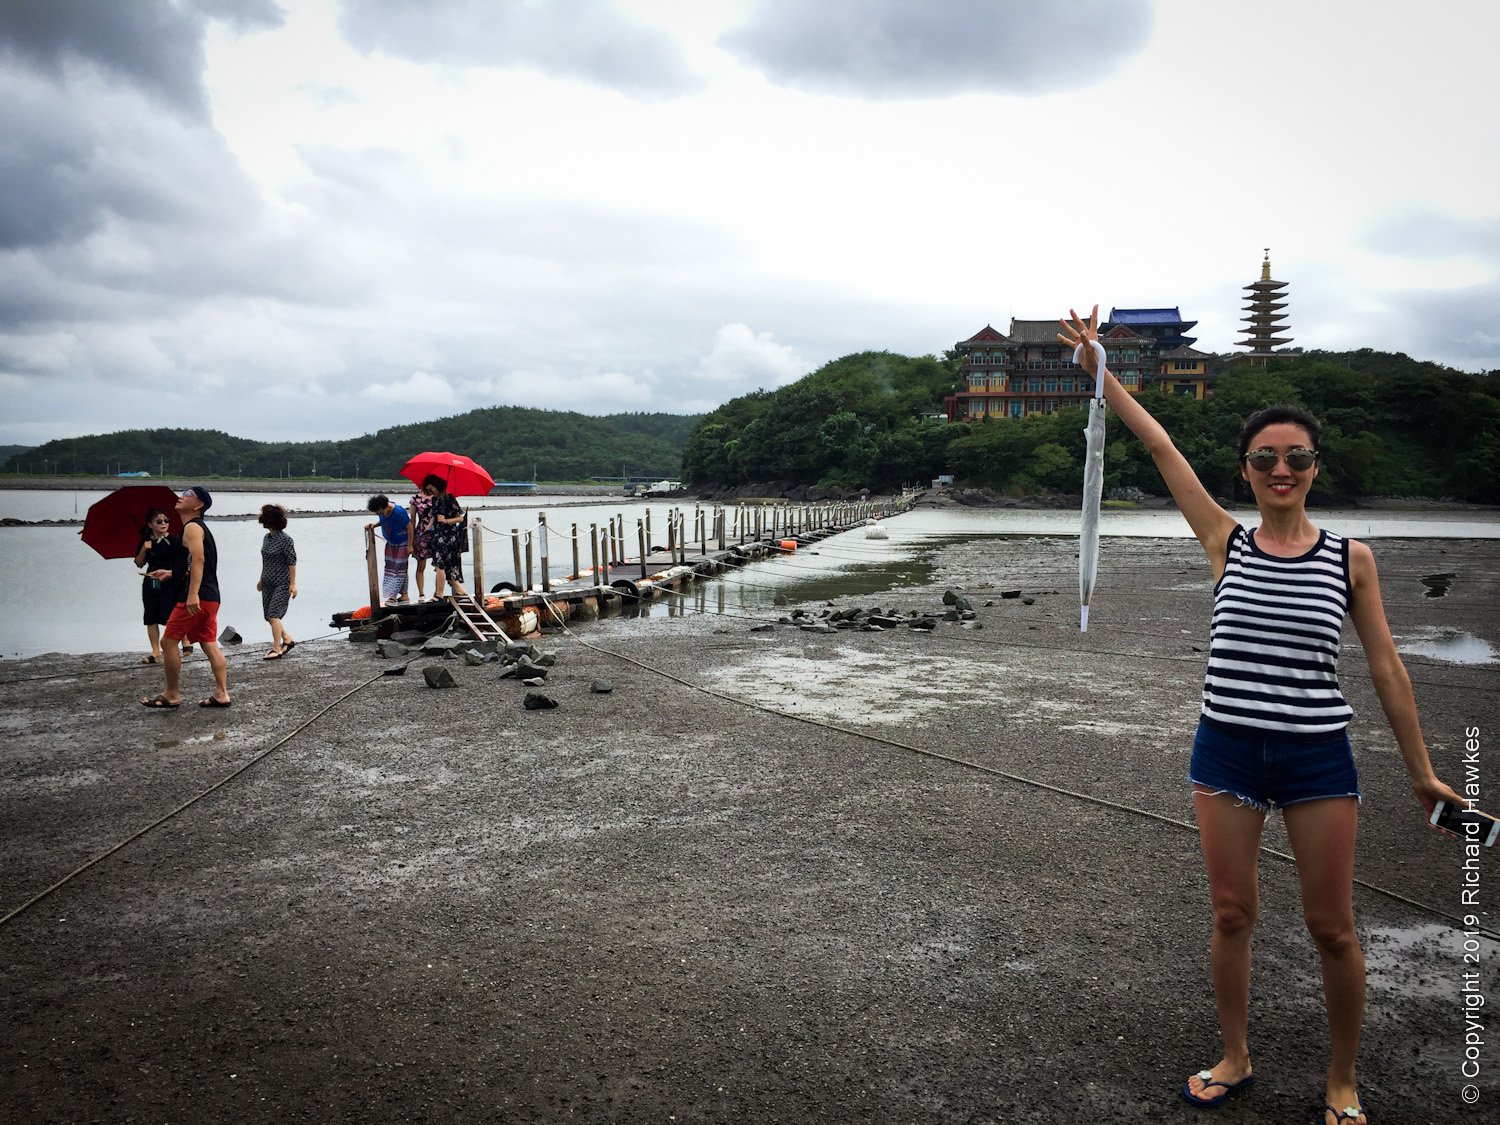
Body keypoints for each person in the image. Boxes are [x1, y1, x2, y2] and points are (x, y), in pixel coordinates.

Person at [1057, 307, 1460, 1125]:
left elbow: (1384, 665)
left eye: (1297, 457)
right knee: (1233, 912)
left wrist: (1421, 773)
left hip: (1318, 758)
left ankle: (1341, 1078)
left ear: (1315, 466)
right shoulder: (1224, 540)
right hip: (1228, 754)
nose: (1283, 468)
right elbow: (1162, 446)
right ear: (1247, 469)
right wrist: (1101, 369)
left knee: (1333, 928)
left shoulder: (1352, 558)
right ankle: (1236, 1053)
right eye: (1267, 458)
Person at [141, 486, 230, 709]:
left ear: (198, 505)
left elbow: (199, 560)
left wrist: (192, 595)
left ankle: (171, 694)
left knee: (168, 641)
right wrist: (170, 573)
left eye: (188, 495)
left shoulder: (192, 527)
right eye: (182, 493)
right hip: (211, 596)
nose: (181, 497)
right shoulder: (195, 529)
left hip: (196, 597)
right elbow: (194, 565)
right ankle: (221, 694)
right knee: (209, 643)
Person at [133, 508, 182, 664]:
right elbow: (139, 563)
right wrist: (144, 548)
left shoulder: (175, 540)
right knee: (150, 615)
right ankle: (155, 652)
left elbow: (181, 562)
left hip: (170, 581)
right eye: (159, 521)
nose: (163, 524)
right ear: (150, 524)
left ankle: (174, 646)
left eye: (166, 521)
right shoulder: (146, 541)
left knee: (171, 613)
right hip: (152, 580)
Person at [256, 504, 298, 660]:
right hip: (267, 581)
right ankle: (287, 639)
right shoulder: (267, 538)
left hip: (282, 582)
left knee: (274, 615)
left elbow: (292, 562)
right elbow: (265, 560)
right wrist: (261, 579)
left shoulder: (286, 540)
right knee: (268, 616)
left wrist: (292, 584)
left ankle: (276, 648)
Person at [422, 474, 467, 599]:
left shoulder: (449, 498)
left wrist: (446, 521)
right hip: (437, 534)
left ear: (438, 486)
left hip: (449, 535)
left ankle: (439, 594)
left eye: (432, 489)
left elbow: (460, 517)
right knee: (441, 564)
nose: (430, 492)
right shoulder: (435, 500)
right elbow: (434, 516)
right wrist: (427, 528)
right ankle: (459, 590)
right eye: (428, 490)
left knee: (440, 564)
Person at [365, 494, 411, 605]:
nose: (378, 514)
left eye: (378, 512)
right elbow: (383, 521)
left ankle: (392, 596)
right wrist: (374, 525)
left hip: (402, 542)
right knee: (391, 568)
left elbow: (409, 527)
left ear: (384, 507)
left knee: (399, 568)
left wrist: (410, 545)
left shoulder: (399, 512)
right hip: (391, 543)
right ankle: (404, 595)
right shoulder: (383, 513)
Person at [410, 485, 435, 601]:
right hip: (421, 532)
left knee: (439, 566)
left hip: (437, 532)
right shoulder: (415, 499)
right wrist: (412, 538)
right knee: (421, 565)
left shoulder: (438, 497)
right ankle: (421, 593)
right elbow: (413, 520)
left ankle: (437, 593)